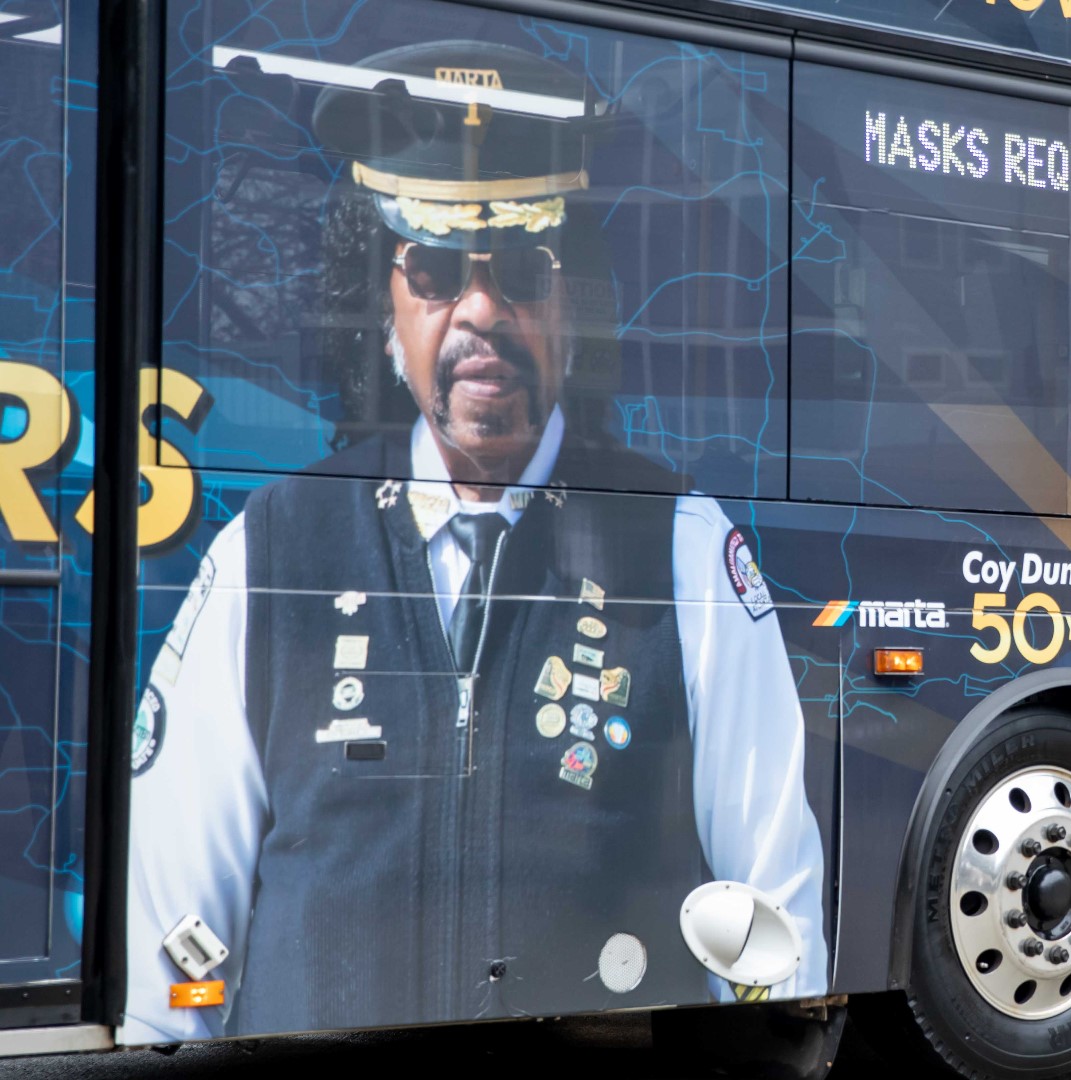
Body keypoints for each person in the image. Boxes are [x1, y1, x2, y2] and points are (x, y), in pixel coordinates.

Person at [121, 41, 826, 1043]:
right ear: (385, 307)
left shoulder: (681, 551)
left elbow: (770, 927)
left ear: (573, 306)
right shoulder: (270, 553)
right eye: (438, 269)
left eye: (525, 271)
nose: (483, 310)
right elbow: (172, 947)